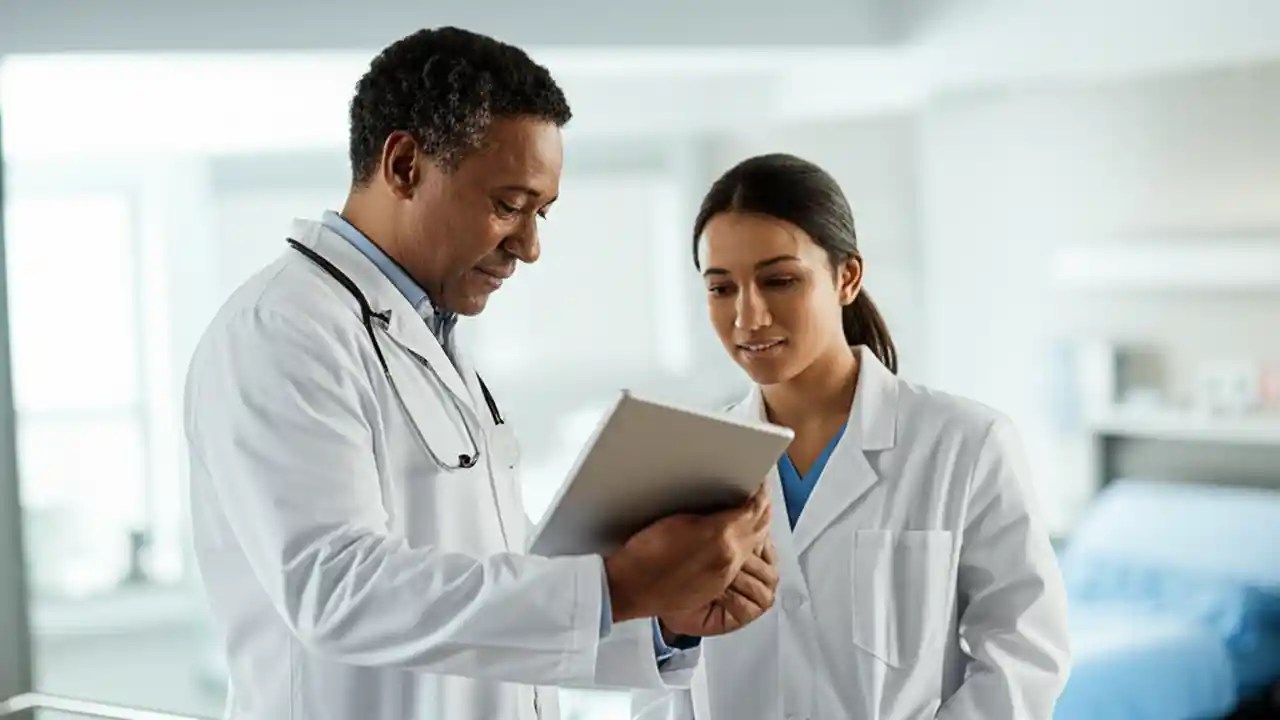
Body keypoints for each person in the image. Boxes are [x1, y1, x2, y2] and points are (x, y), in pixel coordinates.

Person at [184, 28, 779, 720]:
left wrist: (665, 615)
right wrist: (617, 585)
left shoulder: (430, 339)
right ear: (404, 164)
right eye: (509, 205)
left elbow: (502, 599)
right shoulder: (284, 329)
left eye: (541, 213)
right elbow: (339, 590)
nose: (529, 247)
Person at [635, 153, 1071, 719]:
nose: (749, 316)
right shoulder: (687, 464)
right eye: (721, 289)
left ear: (847, 277)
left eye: (780, 280)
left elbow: (1024, 654)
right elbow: (658, 681)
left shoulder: (965, 443)